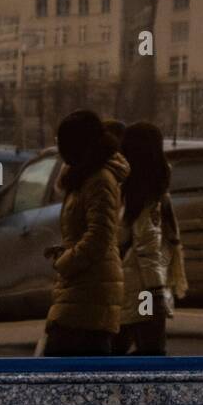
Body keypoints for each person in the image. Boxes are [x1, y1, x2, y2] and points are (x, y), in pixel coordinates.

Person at [41, 109, 128, 355]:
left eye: (63, 142)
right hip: (83, 285)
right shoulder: (85, 177)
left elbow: (100, 235)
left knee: (63, 362)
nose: (60, 150)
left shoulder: (99, 179)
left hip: (91, 288)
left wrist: (66, 261)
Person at [114, 121, 174, 355]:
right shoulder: (149, 192)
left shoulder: (124, 186)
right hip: (144, 287)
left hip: (127, 280)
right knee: (153, 354)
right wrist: (156, 291)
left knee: (120, 346)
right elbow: (147, 246)